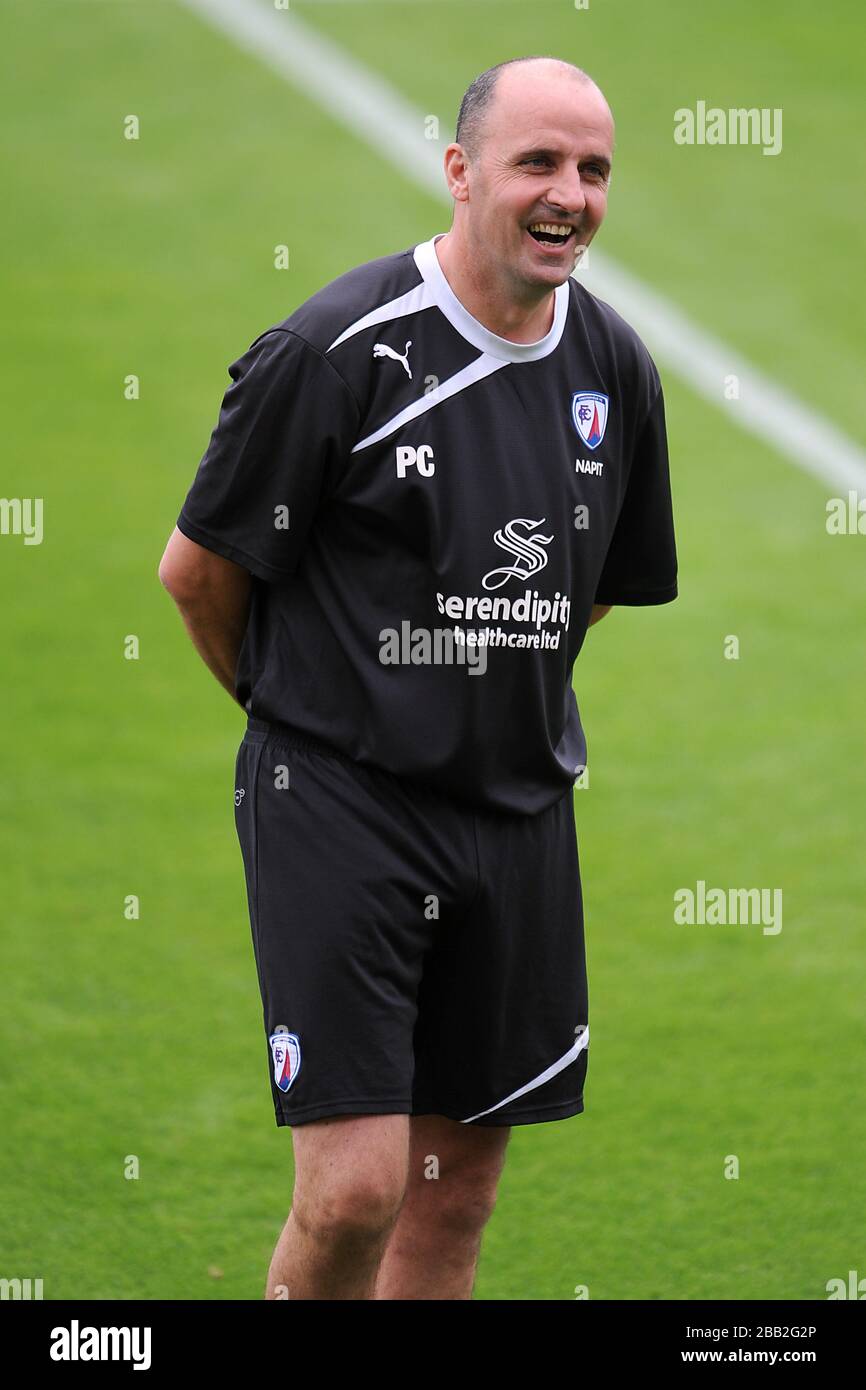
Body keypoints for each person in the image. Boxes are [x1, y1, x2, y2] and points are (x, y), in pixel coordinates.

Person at [158, 54, 678, 1300]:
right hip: (340, 805)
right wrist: (312, 722)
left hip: (512, 815)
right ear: (458, 173)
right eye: (536, 163)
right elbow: (198, 574)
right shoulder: (333, 352)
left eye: (591, 169)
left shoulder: (615, 368)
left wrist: (476, 688)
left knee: (456, 1204)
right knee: (352, 1195)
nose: (569, 195)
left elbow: (584, 590)